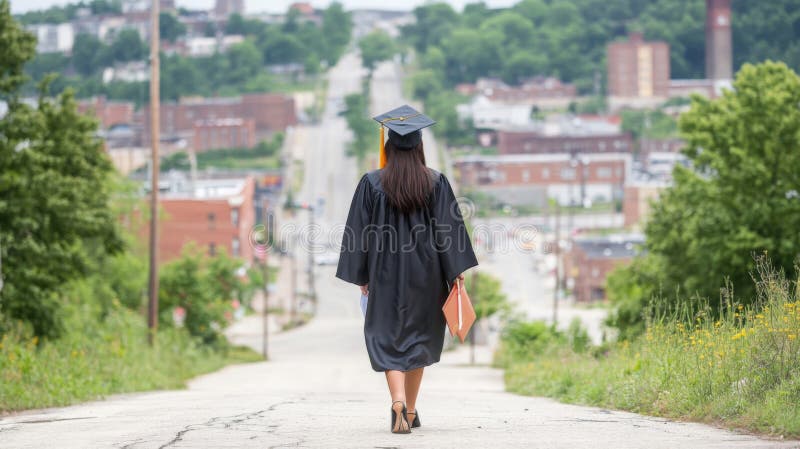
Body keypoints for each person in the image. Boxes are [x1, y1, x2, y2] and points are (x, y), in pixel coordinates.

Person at [336, 105, 478, 434]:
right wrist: (456, 272)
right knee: (419, 340)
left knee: (388, 337)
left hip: (384, 273)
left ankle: (397, 402)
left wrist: (362, 276)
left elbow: (359, 231)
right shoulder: (435, 182)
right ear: (419, 146)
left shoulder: (371, 183)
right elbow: (448, 231)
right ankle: (411, 410)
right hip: (427, 276)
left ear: (388, 146)